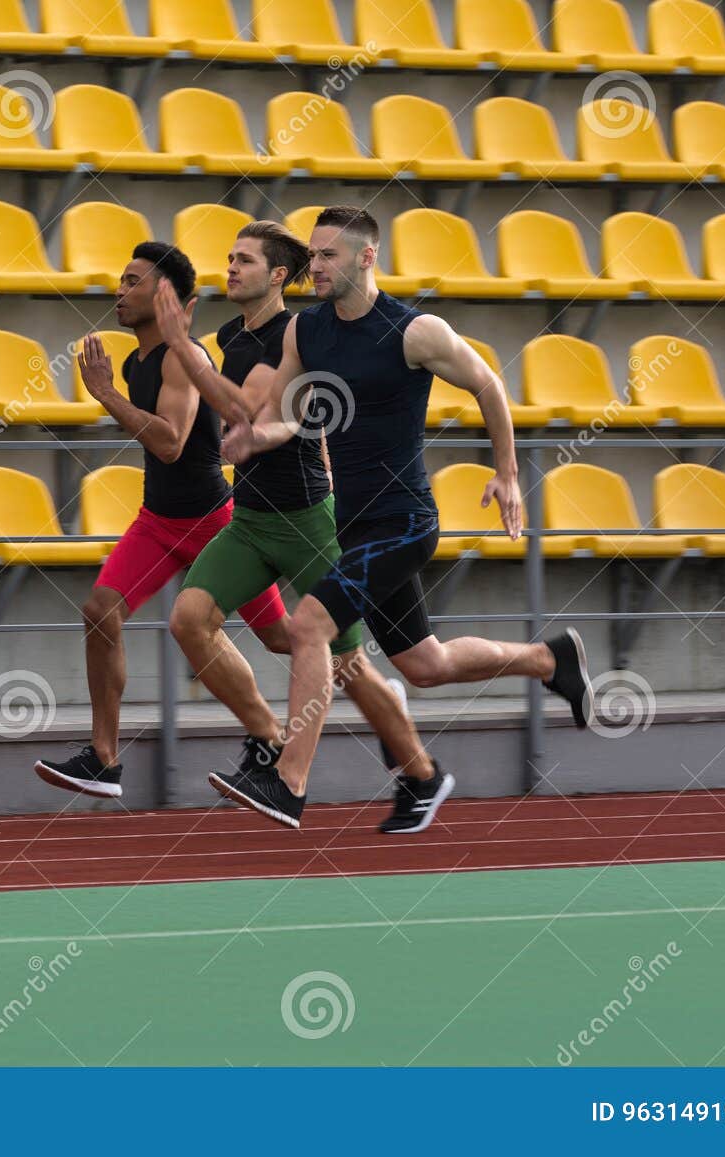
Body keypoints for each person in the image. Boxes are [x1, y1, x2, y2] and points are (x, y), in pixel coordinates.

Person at [159, 205, 596, 829]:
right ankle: (549, 659)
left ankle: (289, 782)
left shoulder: (414, 331)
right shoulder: (307, 332)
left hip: (406, 522)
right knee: (424, 666)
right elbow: (287, 409)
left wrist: (507, 474)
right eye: (311, 255)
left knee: (309, 628)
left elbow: (488, 386)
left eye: (328, 255)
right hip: (353, 524)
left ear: (367, 257)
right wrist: (260, 438)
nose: (316, 266)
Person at [157, 220, 453, 834]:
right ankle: (268, 741)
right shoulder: (232, 336)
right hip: (251, 519)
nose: (230, 268)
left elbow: (244, 410)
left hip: (308, 520)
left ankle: (422, 773)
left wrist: (179, 345)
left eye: (244, 260)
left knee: (348, 666)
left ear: (278, 276)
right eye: (229, 257)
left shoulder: (293, 337)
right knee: (189, 618)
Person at [34, 242, 288, 800]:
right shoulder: (134, 361)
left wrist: (105, 396)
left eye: (132, 282)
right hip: (158, 522)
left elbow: (171, 444)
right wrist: (114, 389)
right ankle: (104, 758)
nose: (119, 292)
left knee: (284, 637)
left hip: (215, 523)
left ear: (165, 296)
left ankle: (339, 690)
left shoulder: (183, 356)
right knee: (101, 613)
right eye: (119, 281)